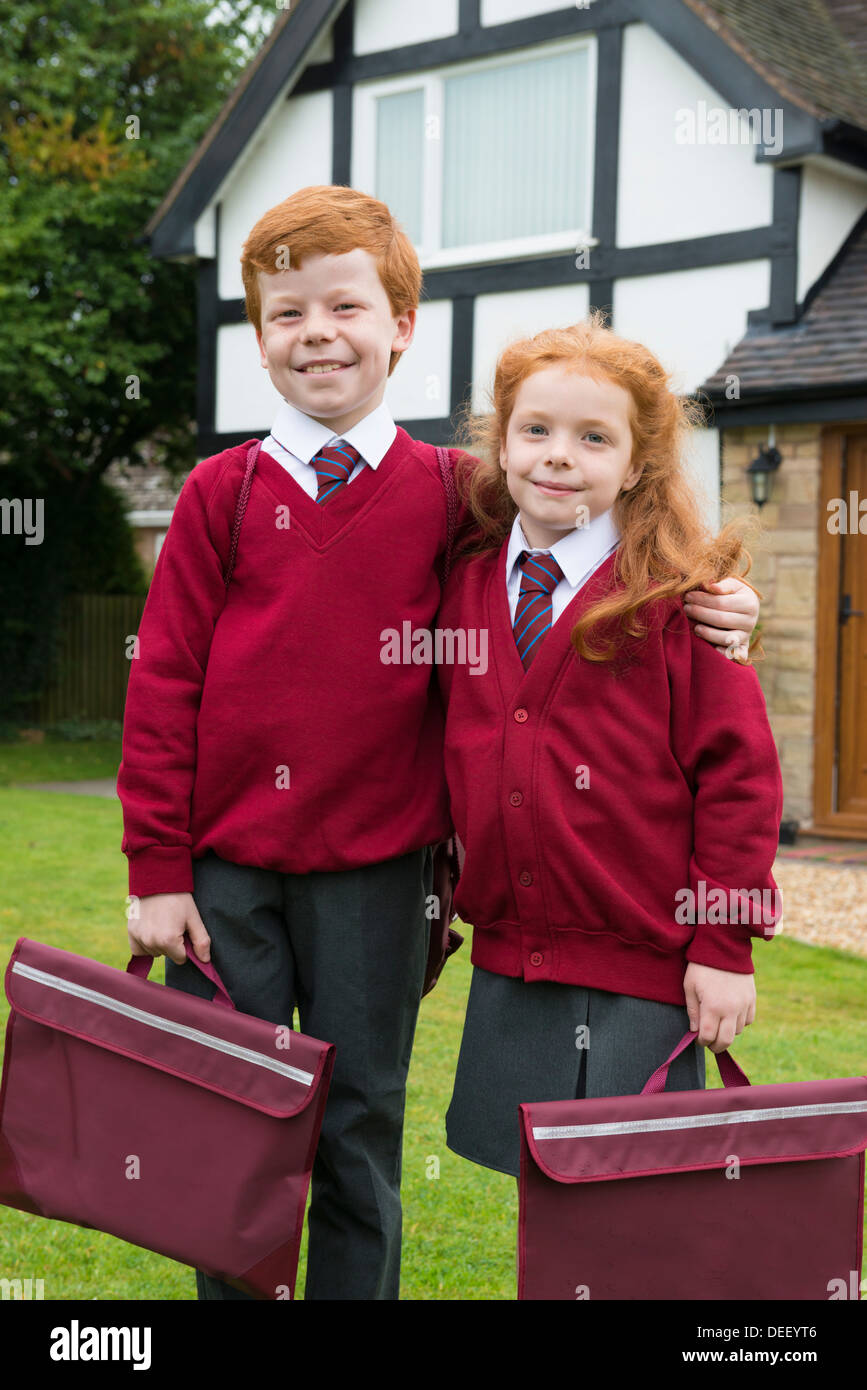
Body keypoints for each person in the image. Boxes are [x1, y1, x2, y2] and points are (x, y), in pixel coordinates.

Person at [116, 187, 761, 1300]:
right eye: (286, 313)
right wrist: (158, 869)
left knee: (360, 1119)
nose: (317, 331)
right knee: (237, 1117)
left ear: (402, 324)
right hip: (226, 876)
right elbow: (164, 682)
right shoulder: (218, 497)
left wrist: (726, 607)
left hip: (382, 874)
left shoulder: (461, 494)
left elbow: (590, 544)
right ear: (259, 340)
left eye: (345, 306)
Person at [438, 313, 783, 1186]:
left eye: (593, 438)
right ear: (502, 444)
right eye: (537, 430)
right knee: (539, 1194)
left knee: (634, 1208)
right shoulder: (466, 583)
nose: (559, 455)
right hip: (514, 955)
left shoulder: (677, 604)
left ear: (633, 465)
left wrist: (724, 946)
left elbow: (739, 781)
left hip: (642, 966)